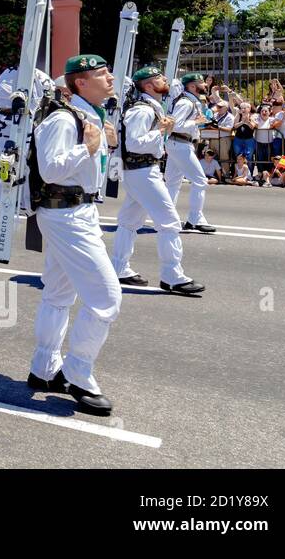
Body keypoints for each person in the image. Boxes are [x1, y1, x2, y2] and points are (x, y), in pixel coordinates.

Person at [25, 54, 123, 416]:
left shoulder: (87, 116)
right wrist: (91, 146)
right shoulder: (63, 118)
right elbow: (51, 167)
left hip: (77, 210)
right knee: (107, 298)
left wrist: (103, 142)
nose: (110, 78)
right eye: (102, 74)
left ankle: (43, 369)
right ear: (80, 82)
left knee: (58, 294)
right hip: (66, 213)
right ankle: (78, 374)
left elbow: (92, 166)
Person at [111, 66, 204, 294]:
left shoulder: (151, 107)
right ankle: (172, 275)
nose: (166, 80)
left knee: (129, 221)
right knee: (170, 222)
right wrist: (161, 131)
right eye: (160, 78)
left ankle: (119, 268)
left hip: (142, 170)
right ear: (149, 85)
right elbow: (134, 143)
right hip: (143, 169)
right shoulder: (142, 110)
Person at [164, 72, 216, 233]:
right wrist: (197, 121)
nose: (205, 85)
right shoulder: (186, 103)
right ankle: (195, 219)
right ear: (192, 86)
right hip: (180, 143)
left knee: (172, 183)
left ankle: (167, 217)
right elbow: (176, 125)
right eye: (202, 83)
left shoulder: (188, 101)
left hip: (177, 143)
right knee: (200, 181)